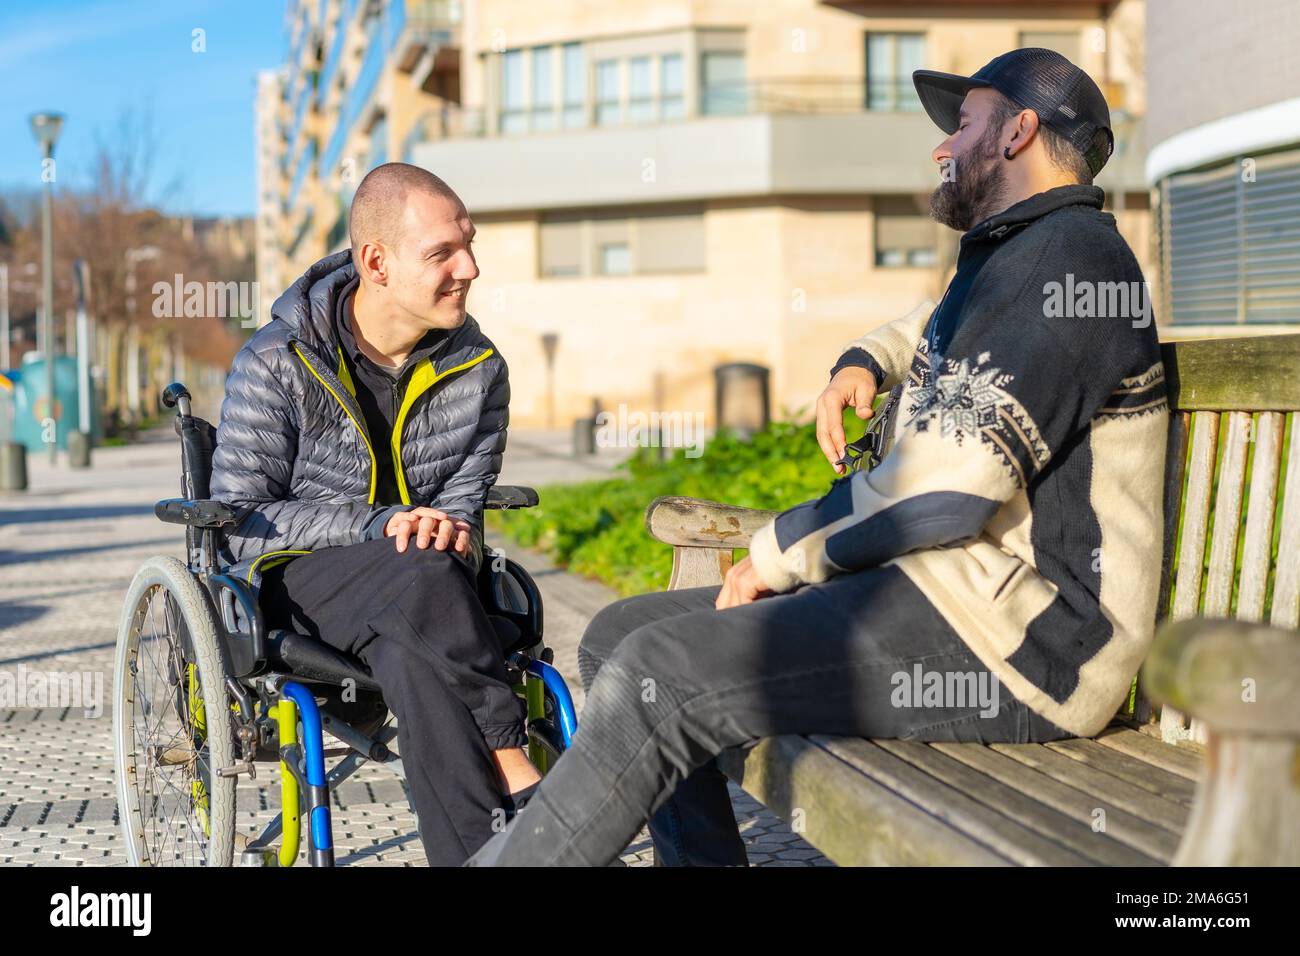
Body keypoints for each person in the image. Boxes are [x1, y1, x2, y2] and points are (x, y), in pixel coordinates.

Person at [468, 48, 1169, 867]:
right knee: (623, 635)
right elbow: (933, 323)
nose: (942, 148)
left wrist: (777, 554)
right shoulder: (1017, 253)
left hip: (1028, 643)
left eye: (965, 124)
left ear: (1018, 131)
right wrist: (865, 359)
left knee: (664, 668)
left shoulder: (1070, 261)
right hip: (953, 590)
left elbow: (947, 492)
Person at [210, 162, 539, 865]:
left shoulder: (478, 367)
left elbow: (463, 504)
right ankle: (510, 750)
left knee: (414, 647)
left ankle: (480, 853)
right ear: (376, 263)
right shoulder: (277, 361)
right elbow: (240, 519)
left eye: (469, 244)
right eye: (442, 253)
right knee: (416, 566)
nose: (470, 267)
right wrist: (375, 525)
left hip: (424, 597)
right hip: (297, 584)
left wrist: (432, 531)